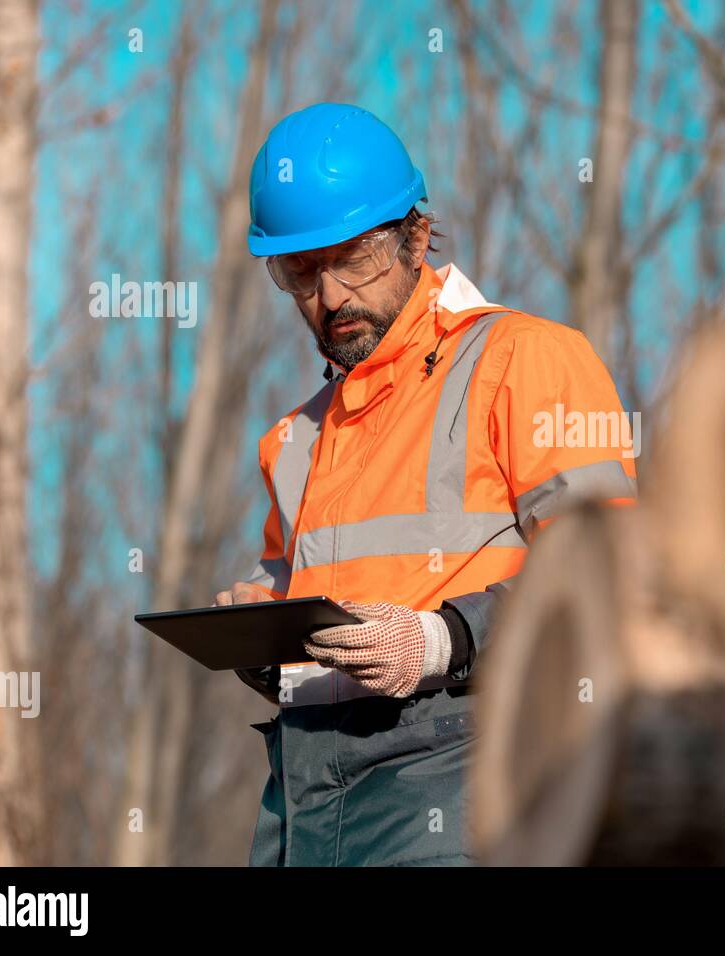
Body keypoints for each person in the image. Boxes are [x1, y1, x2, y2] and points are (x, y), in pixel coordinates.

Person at [214, 102, 637, 866]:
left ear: (415, 236)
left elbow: (609, 571)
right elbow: (294, 595)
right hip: (298, 800)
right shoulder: (295, 439)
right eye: (301, 272)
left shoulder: (525, 360)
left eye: (354, 258)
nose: (332, 296)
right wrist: (258, 629)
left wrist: (443, 638)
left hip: (459, 778)